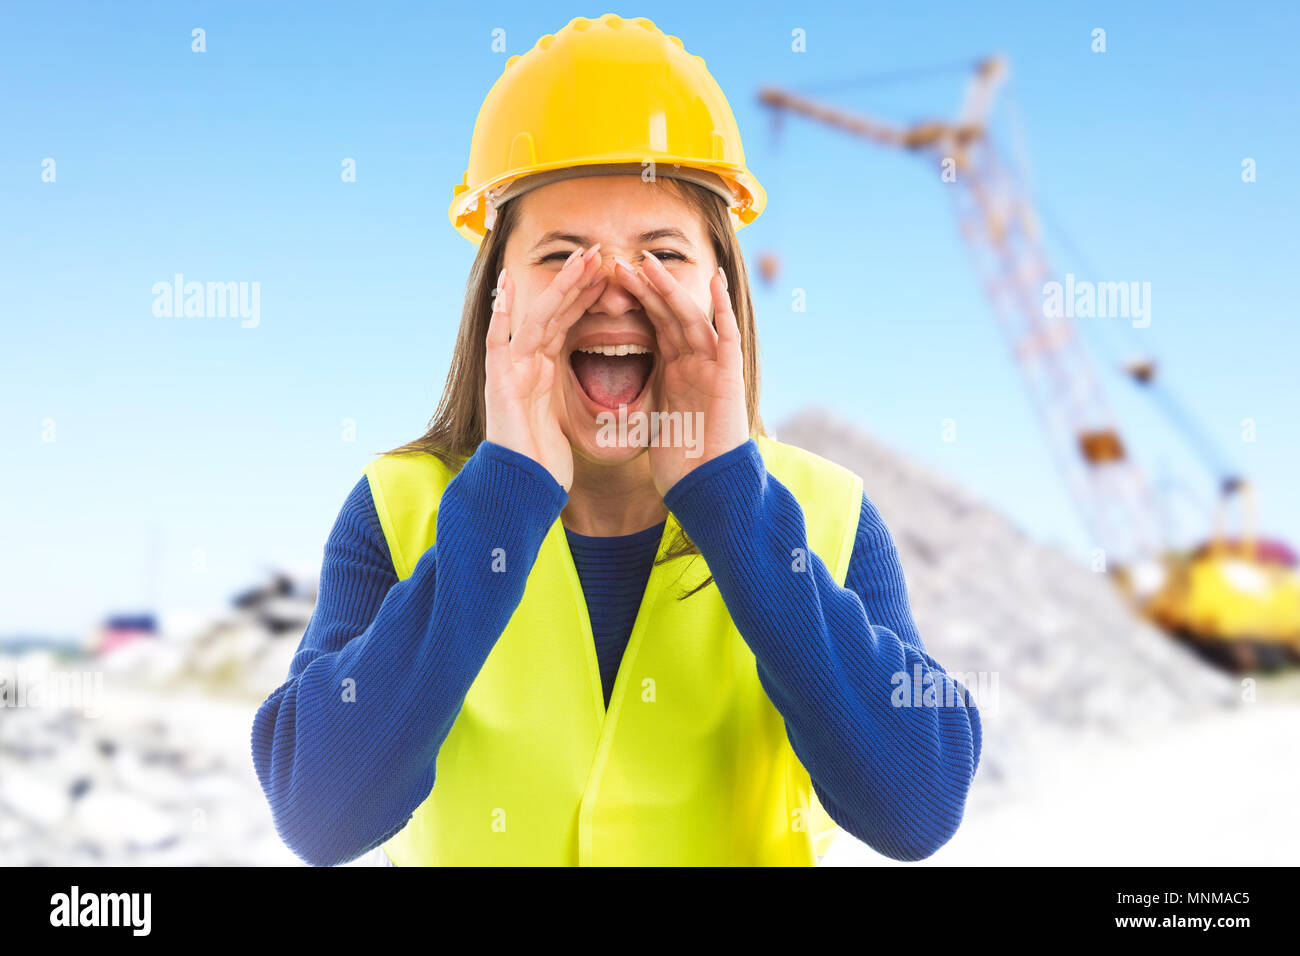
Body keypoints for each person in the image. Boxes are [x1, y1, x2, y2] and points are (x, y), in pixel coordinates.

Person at [251, 13, 981, 867]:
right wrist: (510, 489)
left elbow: (919, 804)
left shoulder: (828, 514)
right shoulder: (399, 509)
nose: (612, 291)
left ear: (725, 293)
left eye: (661, 254)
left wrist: (728, 499)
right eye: (562, 255)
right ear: (498, 300)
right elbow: (319, 813)